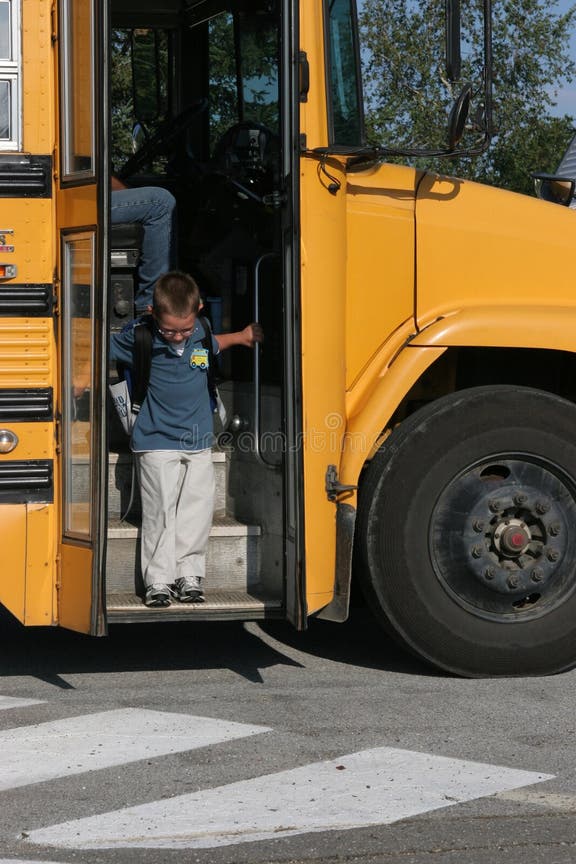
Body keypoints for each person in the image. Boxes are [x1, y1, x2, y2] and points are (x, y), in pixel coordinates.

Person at [110, 270, 263, 608]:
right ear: (152, 313)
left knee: (197, 508)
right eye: (169, 330)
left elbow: (213, 343)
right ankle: (158, 580)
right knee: (160, 512)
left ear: (199, 310)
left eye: (184, 329)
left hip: (198, 440)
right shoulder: (140, 338)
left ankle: (189, 574)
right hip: (154, 439)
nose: (178, 337)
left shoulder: (201, 331)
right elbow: (96, 346)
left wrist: (240, 336)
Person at [111, 177, 177, 313]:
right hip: (75, 200)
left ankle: (170, 292)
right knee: (160, 202)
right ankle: (149, 306)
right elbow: (101, 175)